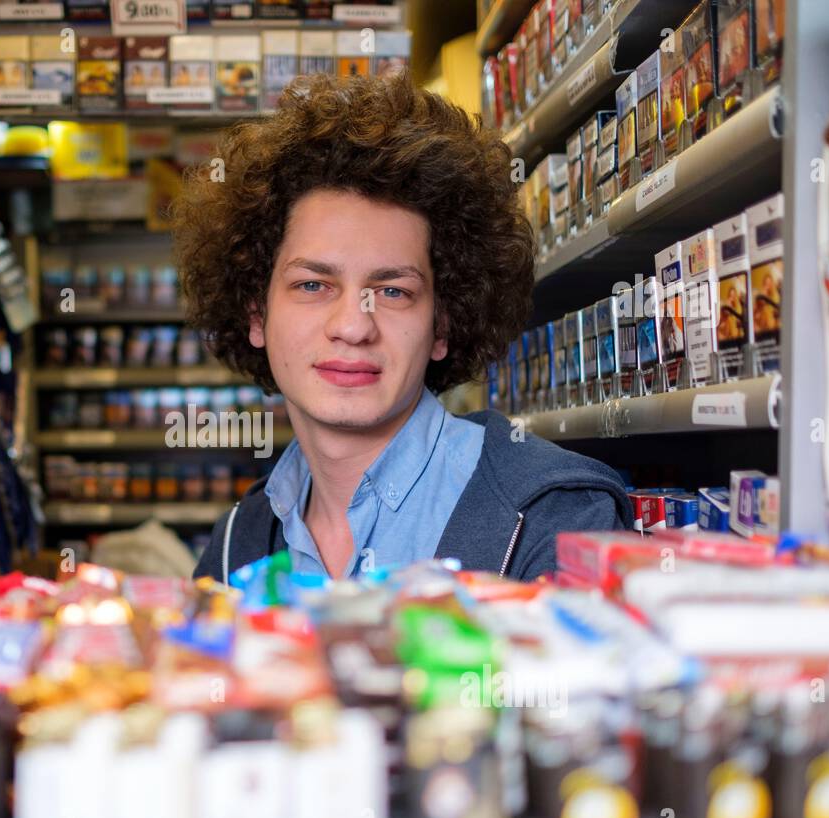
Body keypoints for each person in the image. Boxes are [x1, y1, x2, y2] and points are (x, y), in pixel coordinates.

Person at [176, 73, 633, 583]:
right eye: (312, 285)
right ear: (256, 314)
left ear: (442, 324)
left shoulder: (556, 521)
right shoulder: (238, 541)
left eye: (393, 292)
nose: (352, 326)